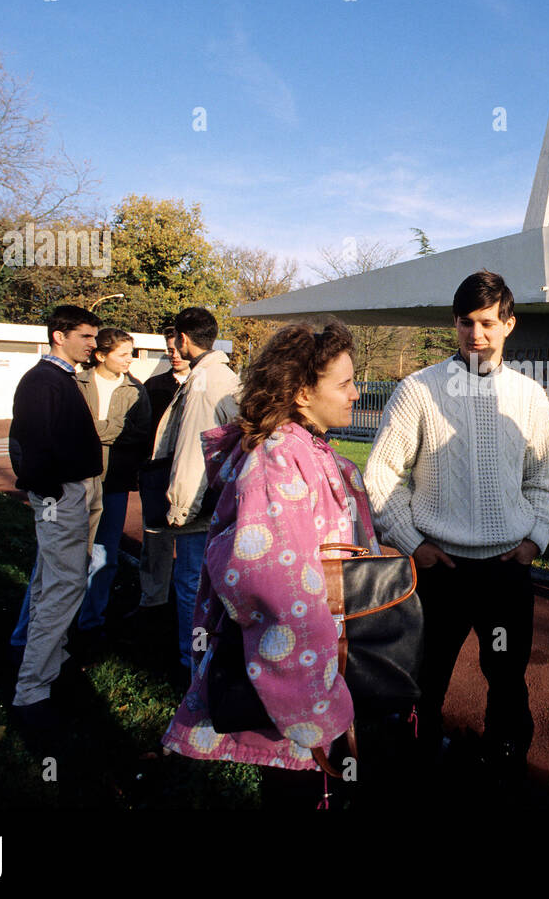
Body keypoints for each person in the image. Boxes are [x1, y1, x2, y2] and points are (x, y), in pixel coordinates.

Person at [161, 321, 371, 809]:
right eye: (344, 383)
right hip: (300, 682)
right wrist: (313, 701)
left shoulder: (304, 448)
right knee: (296, 790)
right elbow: (274, 586)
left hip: (320, 665)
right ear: (301, 393)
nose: (356, 393)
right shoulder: (279, 458)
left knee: (305, 785)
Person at [365, 270, 549, 785]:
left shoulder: (530, 396)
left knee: (507, 680)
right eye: (466, 322)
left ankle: (505, 763)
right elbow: (381, 474)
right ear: (455, 323)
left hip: (505, 573)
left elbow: (543, 481)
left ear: (509, 324)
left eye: (488, 323)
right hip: (441, 572)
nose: (476, 334)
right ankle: (418, 763)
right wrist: (413, 543)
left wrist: (534, 539)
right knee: (425, 680)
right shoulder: (417, 391)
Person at [9, 328, 151, 656]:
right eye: (123, 354)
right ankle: (29, 634)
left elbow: (138, 434)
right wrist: (106, 432)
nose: (130, 360)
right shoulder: (74, 383)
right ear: (102, 356)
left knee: (104, 557)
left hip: (113, 485)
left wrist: (89, 432)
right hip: (71, 485)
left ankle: (90, 623)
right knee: (53, 560)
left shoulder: (136, 391)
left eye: (132, 353)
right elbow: (57, 430)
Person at [7, 305, 102, 724]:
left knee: (52, 581)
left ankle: (49, 658)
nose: (93, 344)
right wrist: (48, 492)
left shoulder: (59, 379)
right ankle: (33, 687)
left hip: (66, 492)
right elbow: (31, 442)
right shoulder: (41, 381)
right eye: (86, 336)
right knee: (64, 586)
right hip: (59, 496)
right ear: (59, 335)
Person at [151, 307, 240, 673]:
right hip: (215, 499)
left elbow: (193, 450)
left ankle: (196, 667)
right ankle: (204, 662)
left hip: (202, 505)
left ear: (182, 339)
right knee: (205, 585)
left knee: (192, 587)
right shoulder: (219, 375)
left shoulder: (205, 381)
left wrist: (181, 505)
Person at [129, 327, 190, 618]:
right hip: (157, 475)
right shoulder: (152, 387)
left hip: (192, 477)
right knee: (155, 541)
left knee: (193, 544)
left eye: (177, 348)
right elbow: (141, 432)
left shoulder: (207, 385)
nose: (173, 354)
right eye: (169, 349)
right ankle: (153, 603)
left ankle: (193, 607)